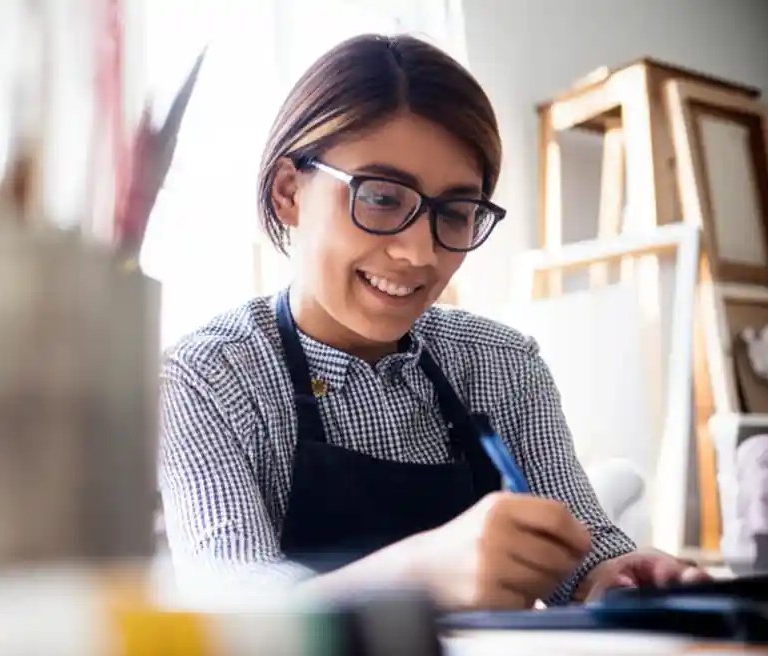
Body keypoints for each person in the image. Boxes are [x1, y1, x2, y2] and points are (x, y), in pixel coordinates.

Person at [157, 33, 707, 609]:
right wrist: (420, 573)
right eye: (381, 198)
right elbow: (230, 602)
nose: (420, 254)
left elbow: (584, 555)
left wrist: (616, 575)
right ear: (289, 192)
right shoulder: (206, 377)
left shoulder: (502, 364)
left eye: (456, 212)